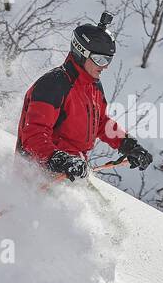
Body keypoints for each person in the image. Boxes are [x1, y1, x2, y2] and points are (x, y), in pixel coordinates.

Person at [16, 12, 152, 181]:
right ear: (81, 52)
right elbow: (33, 134)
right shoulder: (53, 85)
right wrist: (61, 160)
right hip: (40, 174)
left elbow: (101, 123)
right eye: (100, 60)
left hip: (72, 174)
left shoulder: (93, 86)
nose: (105, 67)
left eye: (108, 60)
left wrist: (128, 145)